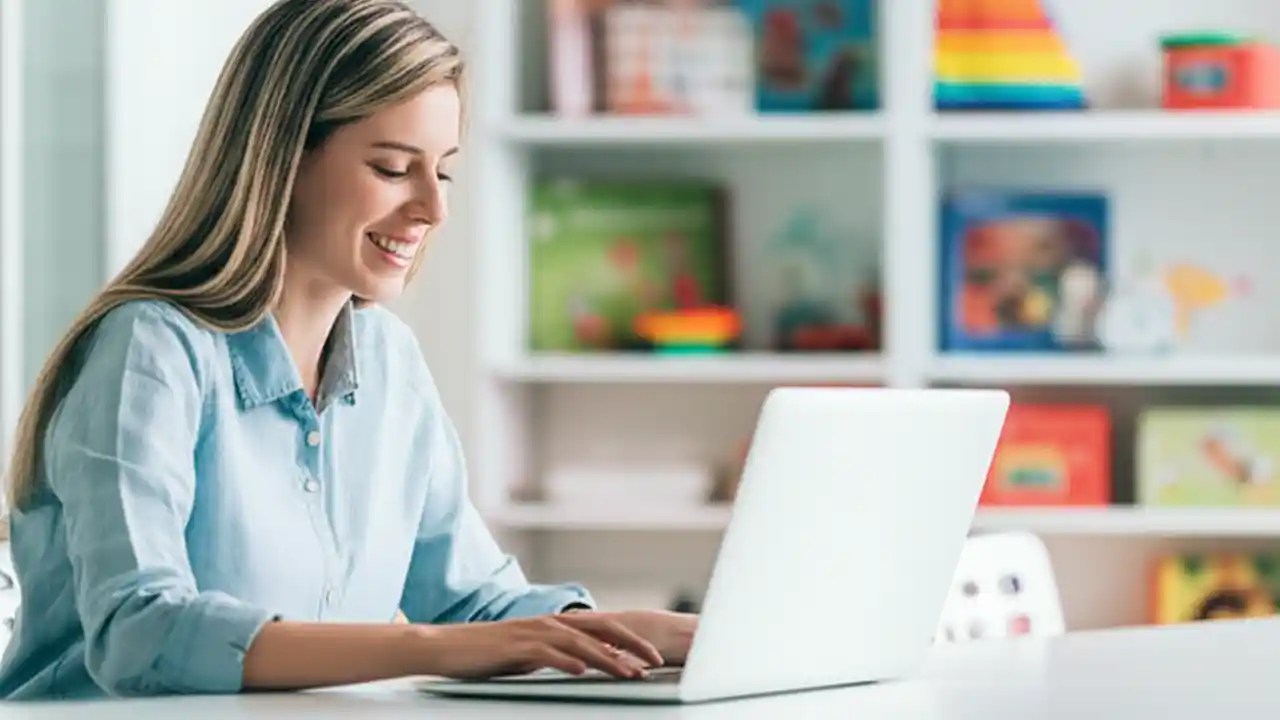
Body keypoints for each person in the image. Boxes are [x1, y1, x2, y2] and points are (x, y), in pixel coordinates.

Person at [0, 0, 695, 699]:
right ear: (283, 159)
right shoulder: (151, 350)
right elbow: (139, 632)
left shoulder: (390, 362)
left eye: (443, 172)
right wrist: (430, 648)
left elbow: (474, 604)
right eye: (393, 168)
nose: (433, 209)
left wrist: (622, 632)